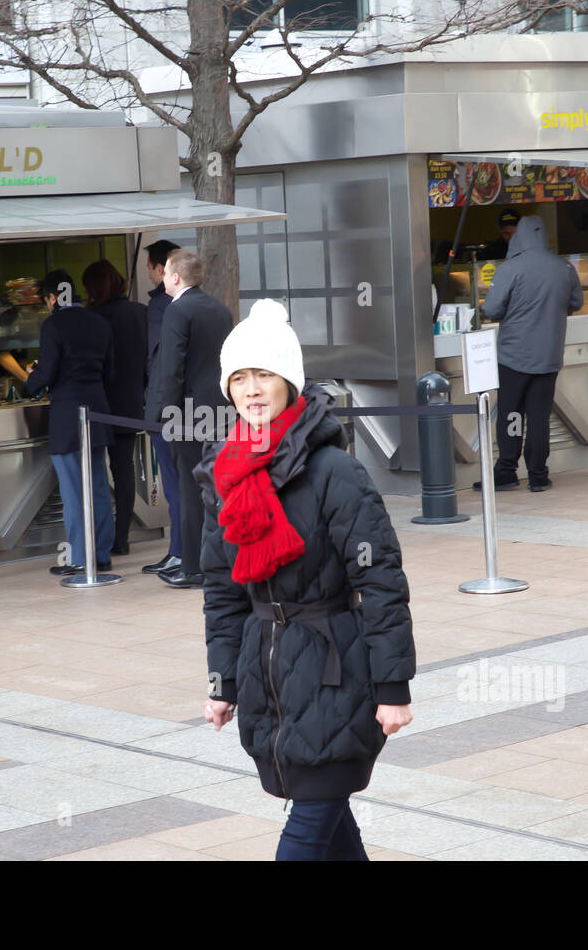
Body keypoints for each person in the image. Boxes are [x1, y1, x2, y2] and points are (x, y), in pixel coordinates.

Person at [197, 299, 415, 861]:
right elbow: (223, 593)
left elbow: (380, 579)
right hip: (267, 674)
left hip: (335, 672)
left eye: (264, 374)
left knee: (304, 836)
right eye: (239, 378)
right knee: (332, 824)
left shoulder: (333, 471)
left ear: (290, 382)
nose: (251, 389)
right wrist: (223, 681)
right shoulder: (226, 476)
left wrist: (393, 688)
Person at [144, 249, 233, 588]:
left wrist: (165, 414)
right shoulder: (220, 309)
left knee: (189, 487)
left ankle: (194, 567)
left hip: (187, 415)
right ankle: (220, 559)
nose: (164, 278)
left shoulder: (178, 310)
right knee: (217, 487)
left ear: (176, 277)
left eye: (166, 273)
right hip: (220, 410)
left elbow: (171, 369)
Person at [479, 215, 584, 492]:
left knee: (512, 414)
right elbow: (576, 302)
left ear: (518, 237)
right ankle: (538, 474)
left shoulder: (510, 268)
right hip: (549, 355)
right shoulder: (563, 268)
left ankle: (507, 470)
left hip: (514, 356)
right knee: (539, 417)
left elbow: (491, 309)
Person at [25, 269, 116, 575]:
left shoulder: (54, 325)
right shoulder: (100, 322)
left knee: (73, 489)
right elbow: (110, 373)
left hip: (67, 416)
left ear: (52, 297)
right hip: (98, 412)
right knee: (99, 486)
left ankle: (79, 558)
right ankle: (101, 554)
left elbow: (46, 373)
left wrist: (30, 379)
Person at [83, 259, 148, 557]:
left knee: (95, 473)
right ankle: (121, 538)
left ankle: (99, 540)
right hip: (131, 404)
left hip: (96, 405)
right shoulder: (141, 313)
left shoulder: (92, 317)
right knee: (124, 471)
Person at [141, 239, 183, 575]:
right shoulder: (204, 303)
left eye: (151, 269)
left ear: (161, 269)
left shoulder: (161, 307)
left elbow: (159, 362)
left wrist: (155, 409)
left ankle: (180, 551)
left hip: (167, 409)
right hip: (194, 409)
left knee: (174, 482)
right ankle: (184, 550)